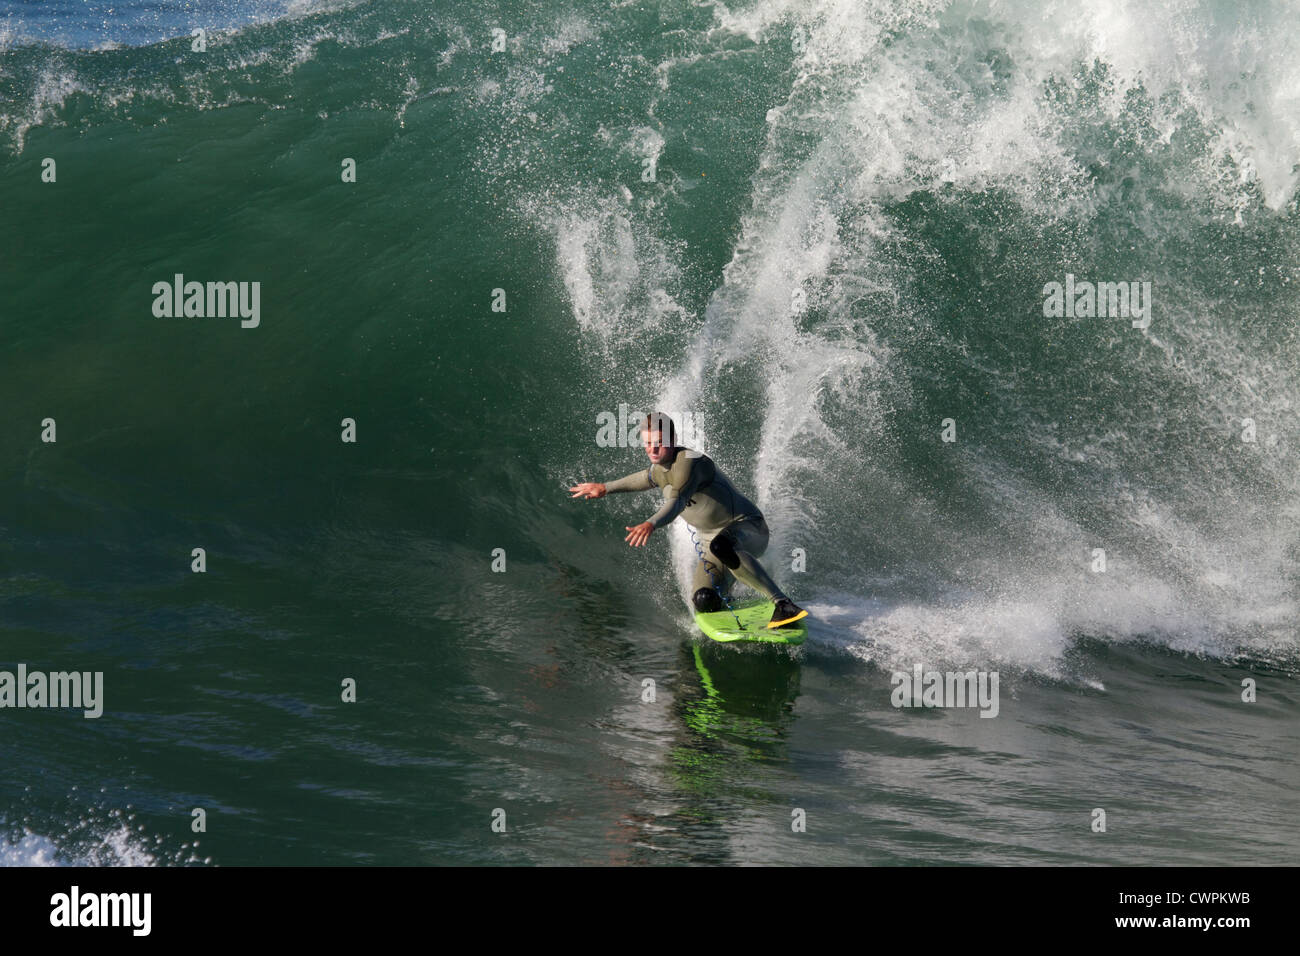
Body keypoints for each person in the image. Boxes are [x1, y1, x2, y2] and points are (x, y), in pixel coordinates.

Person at [569, 411, 808, 628]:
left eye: (659, 443)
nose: (653, 449)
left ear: (672, 440)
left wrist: (651, 523)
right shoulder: (660, 467)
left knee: (721, 545)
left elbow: (676, 501)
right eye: (648, 444)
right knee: (705, 601)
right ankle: (734, 589)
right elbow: (645, 477)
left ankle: (783, 604)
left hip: (748, 528)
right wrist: (605, 487)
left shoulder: (689, 461)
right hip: (713, 545)